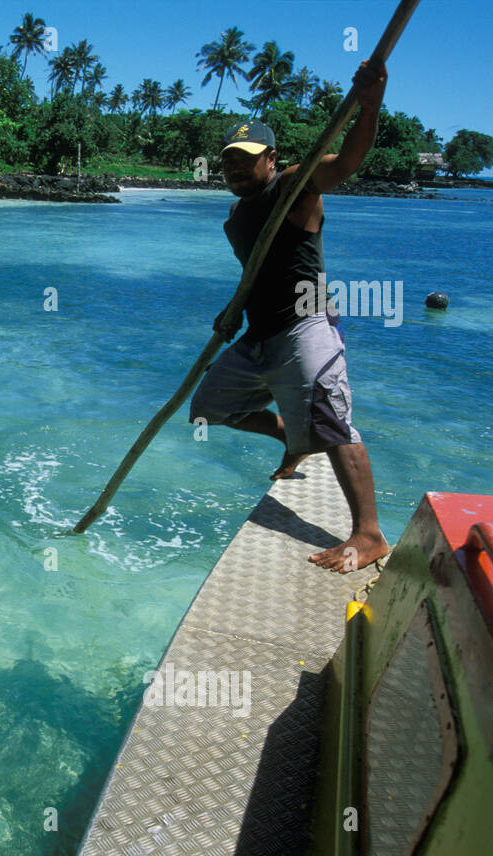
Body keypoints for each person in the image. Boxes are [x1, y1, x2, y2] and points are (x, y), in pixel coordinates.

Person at [189, 60, 391, 573]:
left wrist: (370, 103)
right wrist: (231, 308)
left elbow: (346, 161)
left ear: (271, 159)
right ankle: (287, 433)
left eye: (246, 160)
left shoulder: (296, 185)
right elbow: (254, 273)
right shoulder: (235, 218)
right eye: (229, 161)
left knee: (332, 423)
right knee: (208, 409)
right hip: (260, 333)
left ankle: (368, 534)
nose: (235, 168)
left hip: (307, 323)